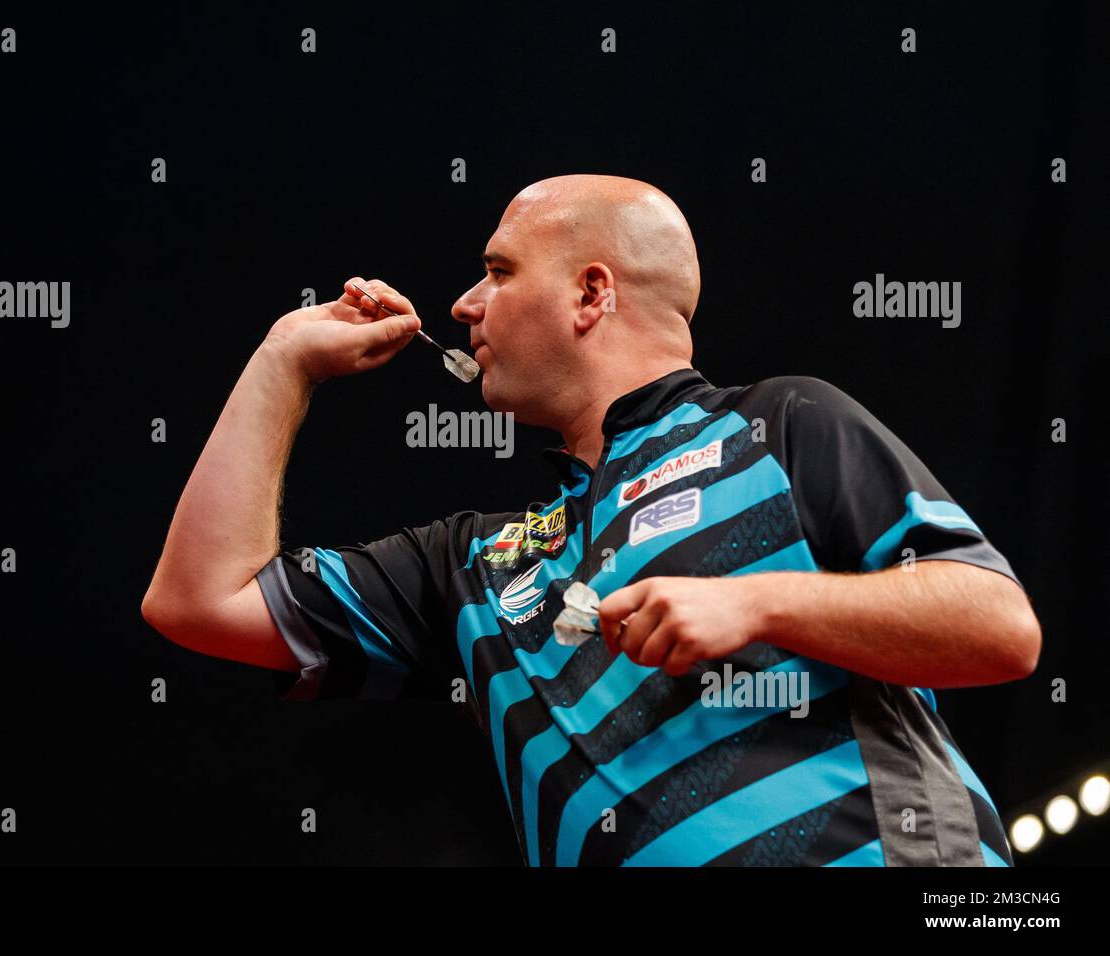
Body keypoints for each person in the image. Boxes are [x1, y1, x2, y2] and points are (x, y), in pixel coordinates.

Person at [141, 174, 1041, 867]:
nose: (464, 304)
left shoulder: (780, 424)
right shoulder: (474, 565)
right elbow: (198, 601)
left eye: (497, 270)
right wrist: (283, 361)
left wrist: (762, 604)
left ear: (591, 293)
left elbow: (999, 627)